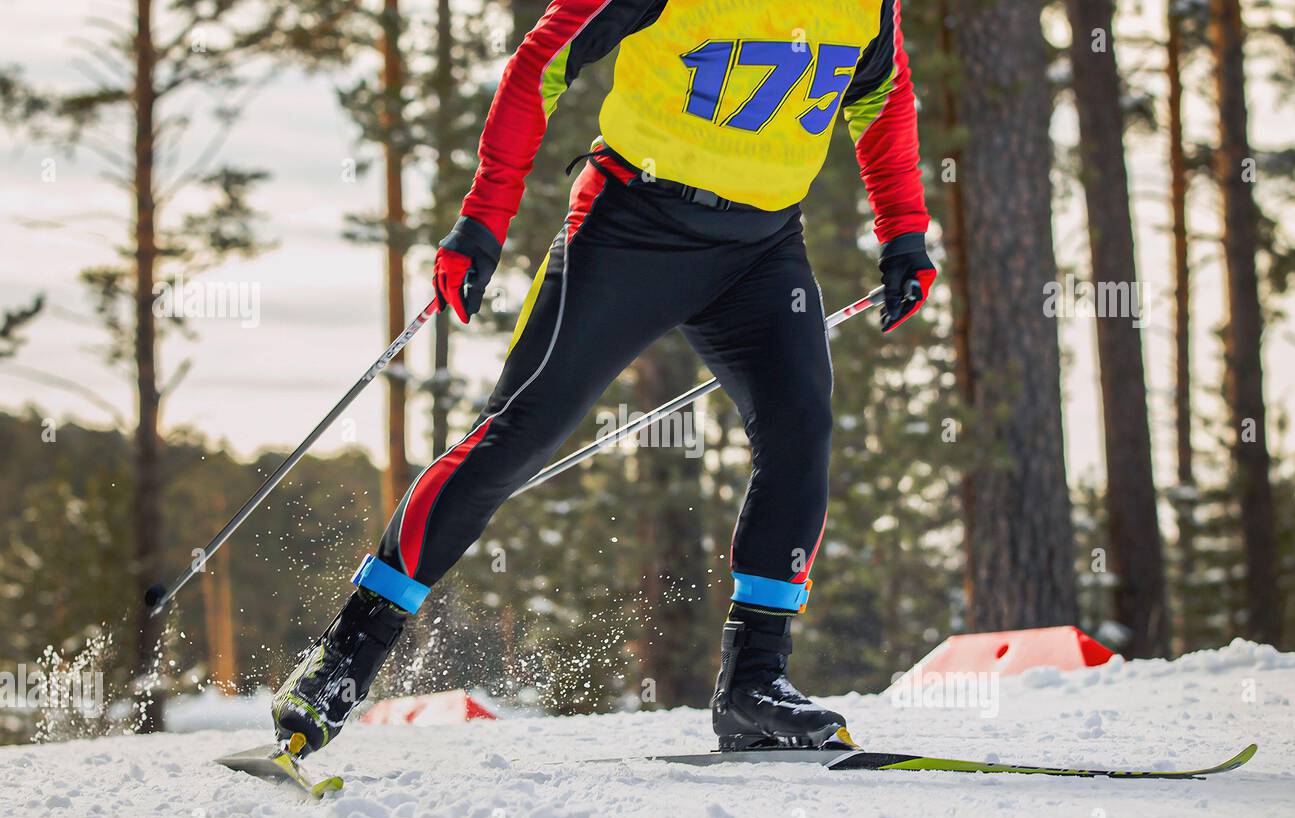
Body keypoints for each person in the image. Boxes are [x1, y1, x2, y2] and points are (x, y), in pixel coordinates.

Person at [272, 0, 935, 757]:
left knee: (801, 431)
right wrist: (486, 216)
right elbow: (541, 63)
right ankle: (344, 659)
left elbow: (883, 96)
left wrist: (904, 233)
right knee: (517, 435)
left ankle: (753, 683)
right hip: (630, 227)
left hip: (761, 246)